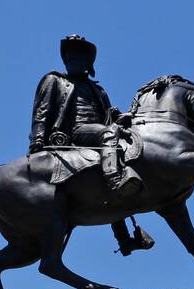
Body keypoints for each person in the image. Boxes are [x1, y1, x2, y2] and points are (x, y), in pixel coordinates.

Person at [29, 35, 152, 255]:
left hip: (100, 132)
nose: (72, 59)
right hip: (74, 133)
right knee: (108, 136)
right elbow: (42, 111)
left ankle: (124, 238)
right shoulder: (54, 80)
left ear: (88, 62)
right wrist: (37, 141)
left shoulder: (98, 89)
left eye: (78, 55)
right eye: (69, 55)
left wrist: (120, 119)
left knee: (124, 147)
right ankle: (115, 181)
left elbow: (107, 116)